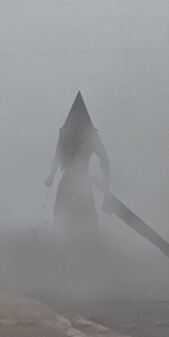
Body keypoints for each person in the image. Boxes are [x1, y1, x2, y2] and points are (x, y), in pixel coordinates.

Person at [45, 93, 110, 253]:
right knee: (81, 220)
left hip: (73, 182)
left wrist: (51, 177)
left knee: (75, 220)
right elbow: (104, 159)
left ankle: (73, 253)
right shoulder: (88, 136)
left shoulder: (70, 135)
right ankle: (83, 254)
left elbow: (57, 158)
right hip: (78, 183)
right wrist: (105, 181)